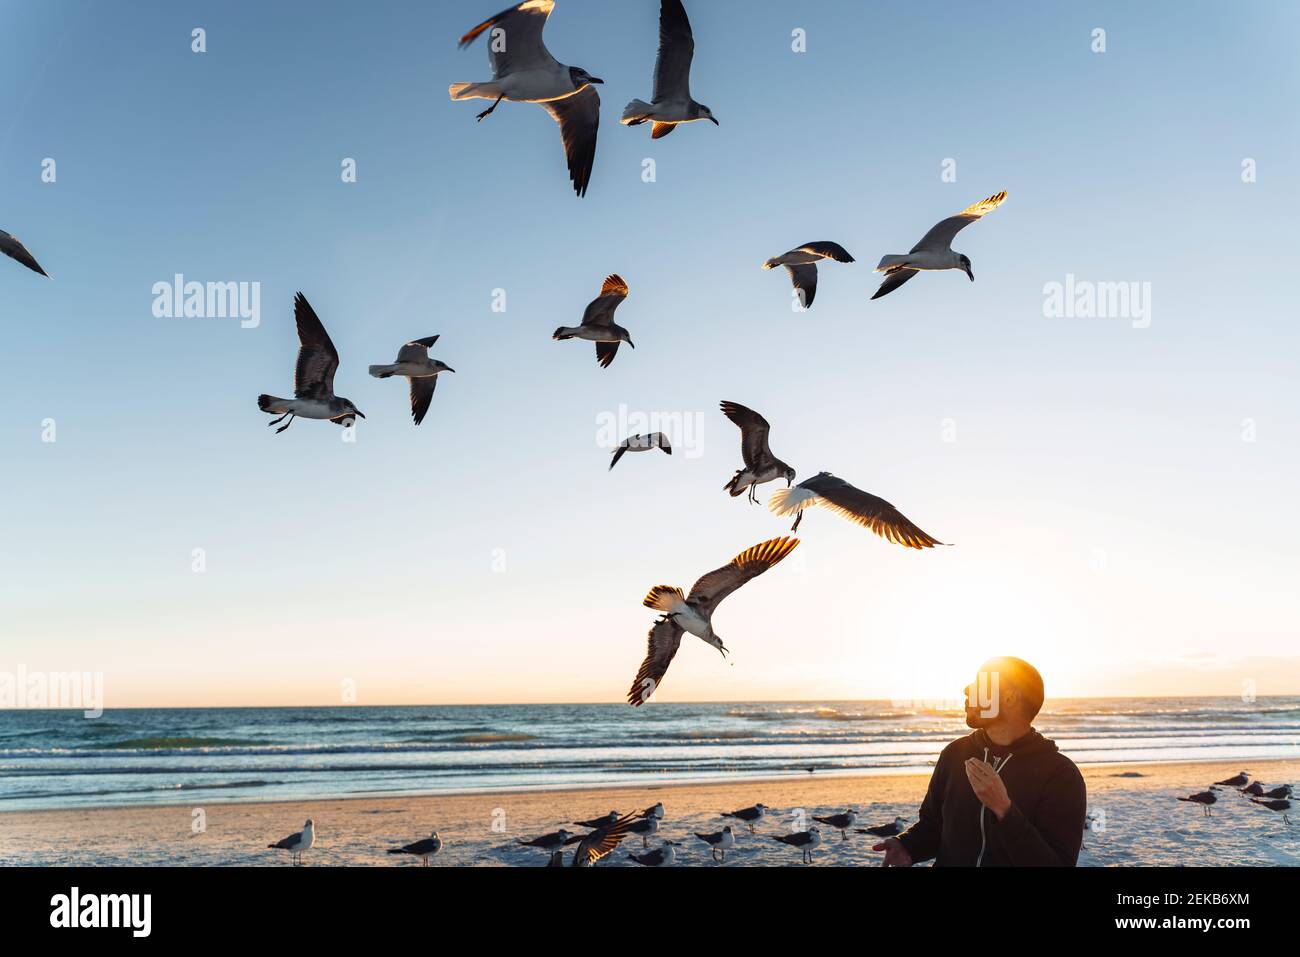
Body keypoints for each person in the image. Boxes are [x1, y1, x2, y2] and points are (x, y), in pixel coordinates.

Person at [876, 657, 1086, 866]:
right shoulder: (955, 753)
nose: (967, 690)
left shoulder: (1061, 775)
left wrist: (1004, 810)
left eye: (980, 684)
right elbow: (933, 826)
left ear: (1009, 697)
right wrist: (907, 845)